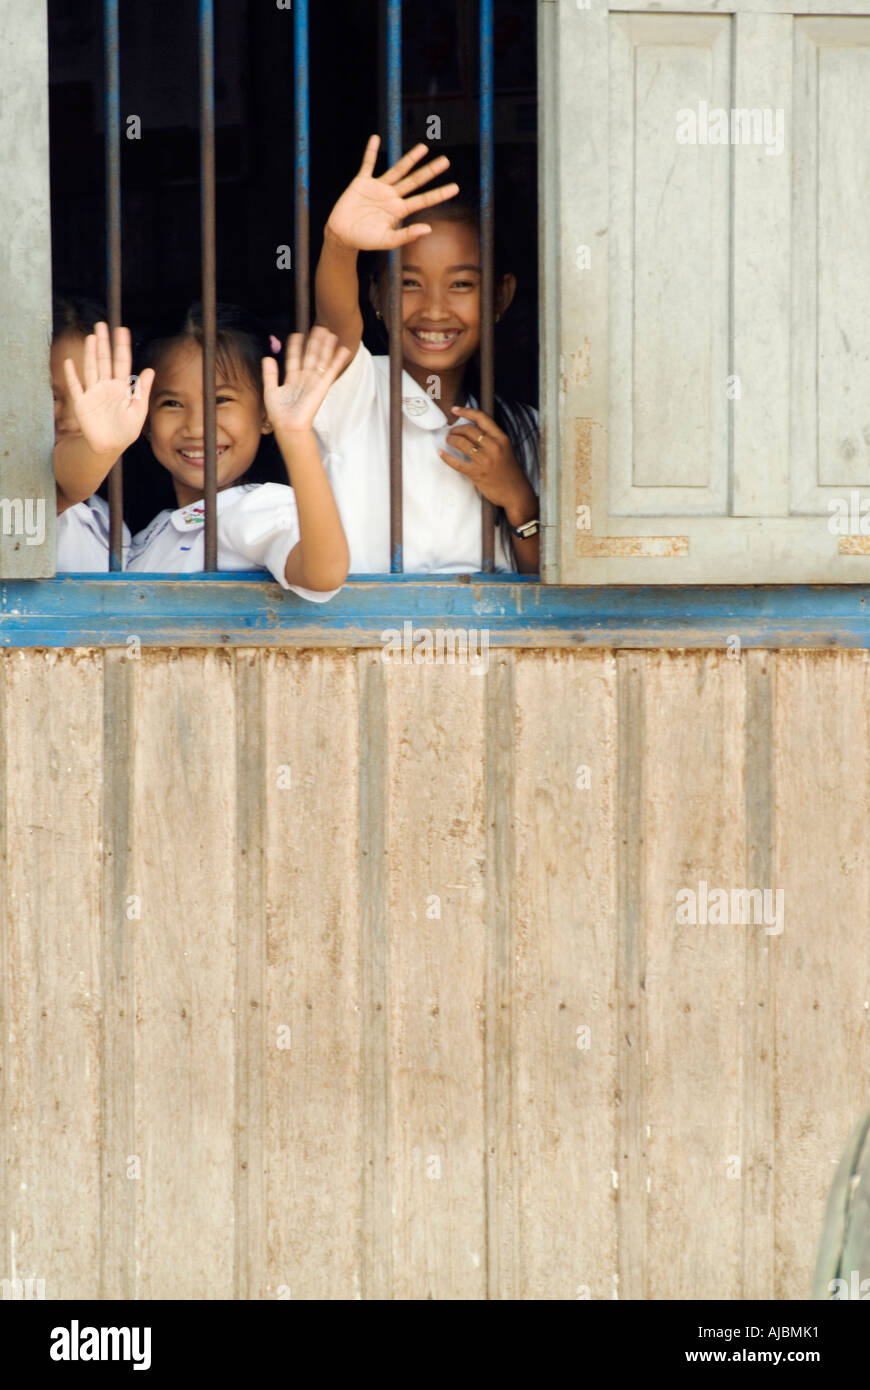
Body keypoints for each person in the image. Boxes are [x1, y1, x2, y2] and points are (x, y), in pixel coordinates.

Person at [313, 135, 540, 575]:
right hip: (362, 643)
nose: (434, 310)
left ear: (500, 296)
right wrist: (339, 245)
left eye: (461, 285)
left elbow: (552, 588)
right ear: (376, 294)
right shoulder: (356, 390)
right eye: (409, 283)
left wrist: (516, 496)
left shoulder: (526, 429)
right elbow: (337, 328)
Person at [125, 305, 350, 601]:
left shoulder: (254, 507)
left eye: (221, 399)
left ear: (265, 414)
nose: (196, 427)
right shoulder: (152, 532)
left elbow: (325, 574)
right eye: (172, 404)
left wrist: (296, 435)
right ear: (145, 420)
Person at [52, 296, 150, 570]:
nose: (72, 420)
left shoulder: (107, 519)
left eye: (87, 394)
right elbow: (63, 487)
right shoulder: (21, 493)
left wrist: (101, 449)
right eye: (49, 396)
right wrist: (100, 449)